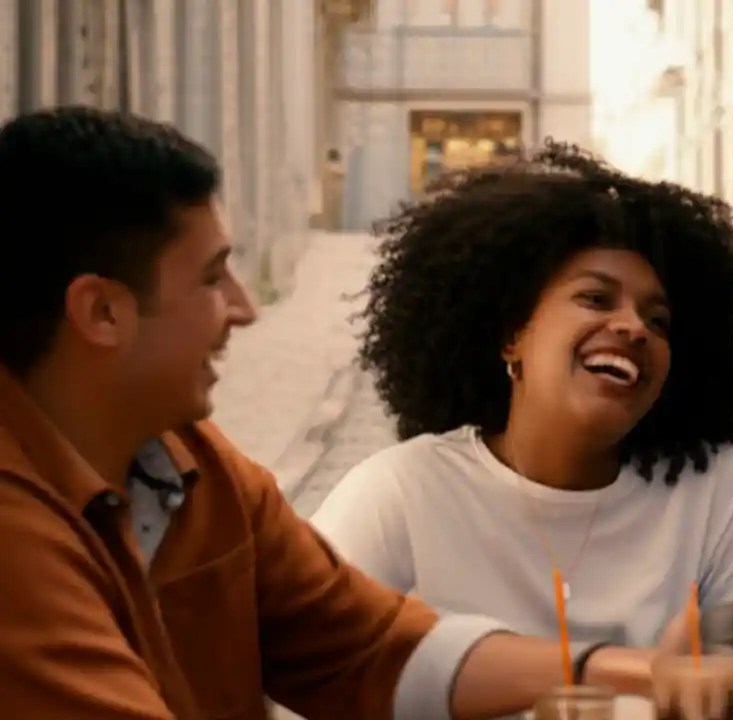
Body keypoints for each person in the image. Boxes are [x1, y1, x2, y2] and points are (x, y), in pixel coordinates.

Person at [0, 106, 676, 720]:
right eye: (211, 278)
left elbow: (368, 646)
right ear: (102, 312)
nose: (245, 307)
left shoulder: (197, 465)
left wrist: (615, 671)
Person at [310, 142, 733, 658]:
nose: (634, 327)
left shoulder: (717, 491)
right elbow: (305, 662)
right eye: (595, 298)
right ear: (512, 336)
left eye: (658, 321)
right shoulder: (402, 493)